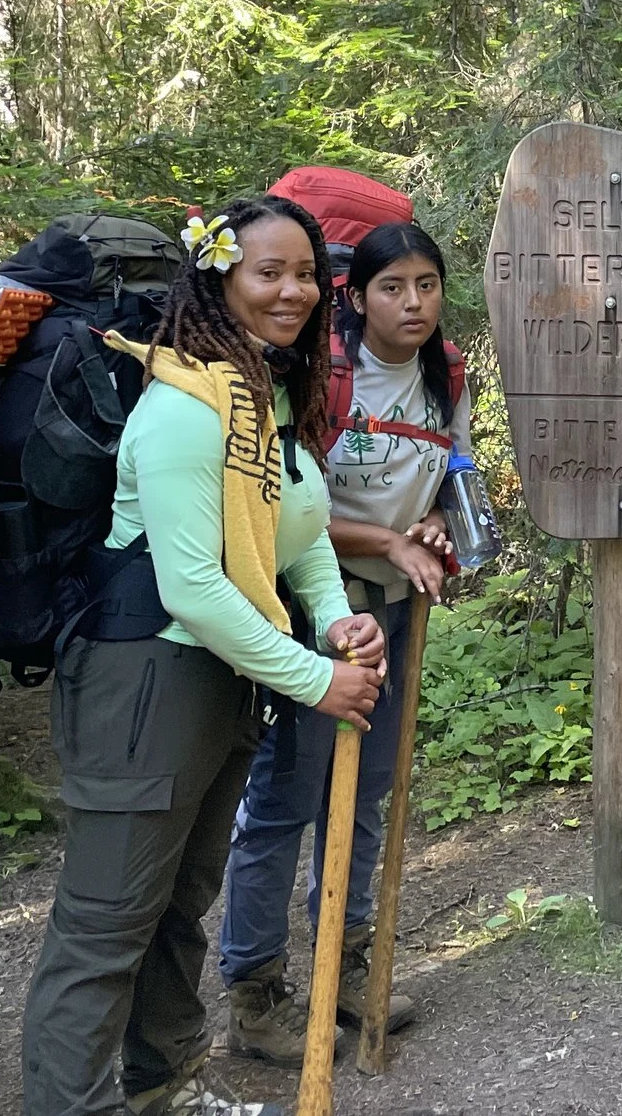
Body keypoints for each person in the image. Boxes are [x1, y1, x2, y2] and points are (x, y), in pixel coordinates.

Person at [19, 195, 384, 1116]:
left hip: (224, 679)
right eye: (270, 271)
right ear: (219, 278)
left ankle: (163, 1086)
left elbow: (296, 540)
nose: (295, 290)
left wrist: (335, 618)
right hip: (146, 680)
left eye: (306, 272)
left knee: (179, 906)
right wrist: (316, 678)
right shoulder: (185, 405)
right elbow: (193, 585)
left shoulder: (265, 397)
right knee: (105, 927)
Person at [216, 219, 469, 1061]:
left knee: (369, 793)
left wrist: (431, 527)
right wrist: (385, 540)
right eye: (392, 287)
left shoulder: (447, 378)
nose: (413, 303)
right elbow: (293, 508)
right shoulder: (322, 374)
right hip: (312, 614)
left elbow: (457, 487)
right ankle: (256, 989)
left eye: (427, 285)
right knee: (288, 794)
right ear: (355, 298)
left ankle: (349, 960)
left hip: (396, 610)